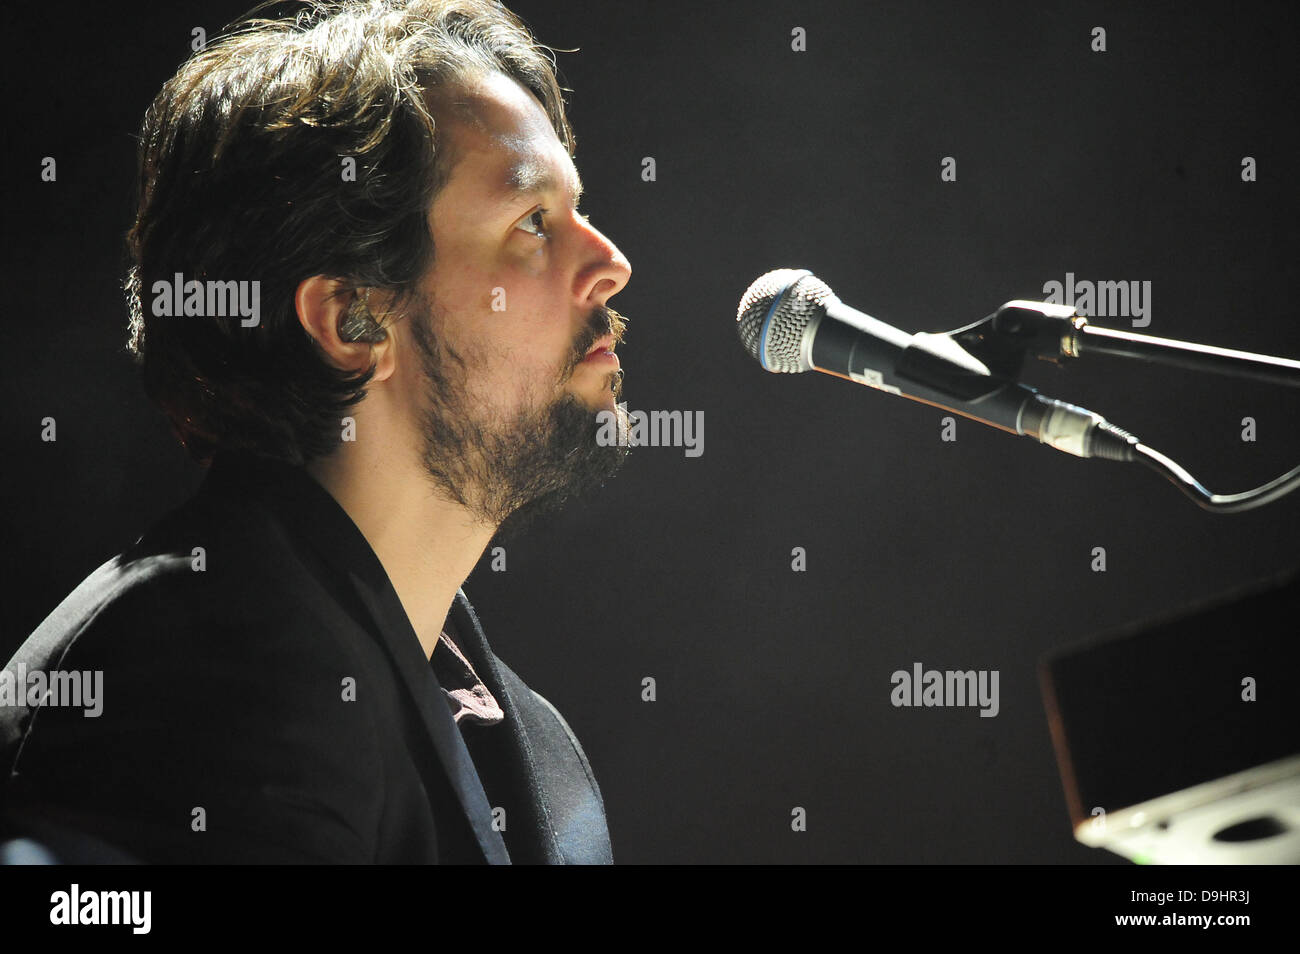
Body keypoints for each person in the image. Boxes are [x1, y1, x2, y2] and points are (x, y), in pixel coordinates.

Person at [0, 0, 631, 864]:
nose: (611, 263)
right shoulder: (207, 669)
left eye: (578, 209)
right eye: (532, 223)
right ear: (353, 321)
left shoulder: (536, 753)